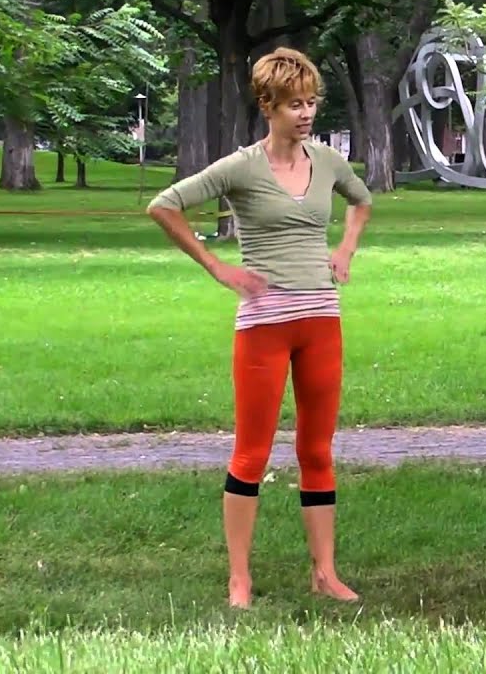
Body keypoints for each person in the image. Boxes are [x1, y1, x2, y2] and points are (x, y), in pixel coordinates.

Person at [146, 47, 373, 609]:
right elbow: (165, 205)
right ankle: (239, 579)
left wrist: (344, 249)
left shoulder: (327, 161)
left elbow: (361, 201)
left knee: (317, 450)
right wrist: (218, 266)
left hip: (321, 319)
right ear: (267, 106)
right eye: (295, 103)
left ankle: (324, 572)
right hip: (265, 324)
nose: (306, 112)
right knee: (252, 452)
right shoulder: (242, 166)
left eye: (312, 101)